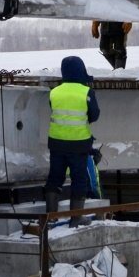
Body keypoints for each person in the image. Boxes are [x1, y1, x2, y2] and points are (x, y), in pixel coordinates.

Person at [45, 55, 100, 226]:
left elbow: (54, 110)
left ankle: (51, 216)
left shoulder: (54, 92)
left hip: (57, 143)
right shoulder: (86, 92)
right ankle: (76, 217)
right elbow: (95, 115)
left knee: (55, 177)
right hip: (78, 144)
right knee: (79, 179)